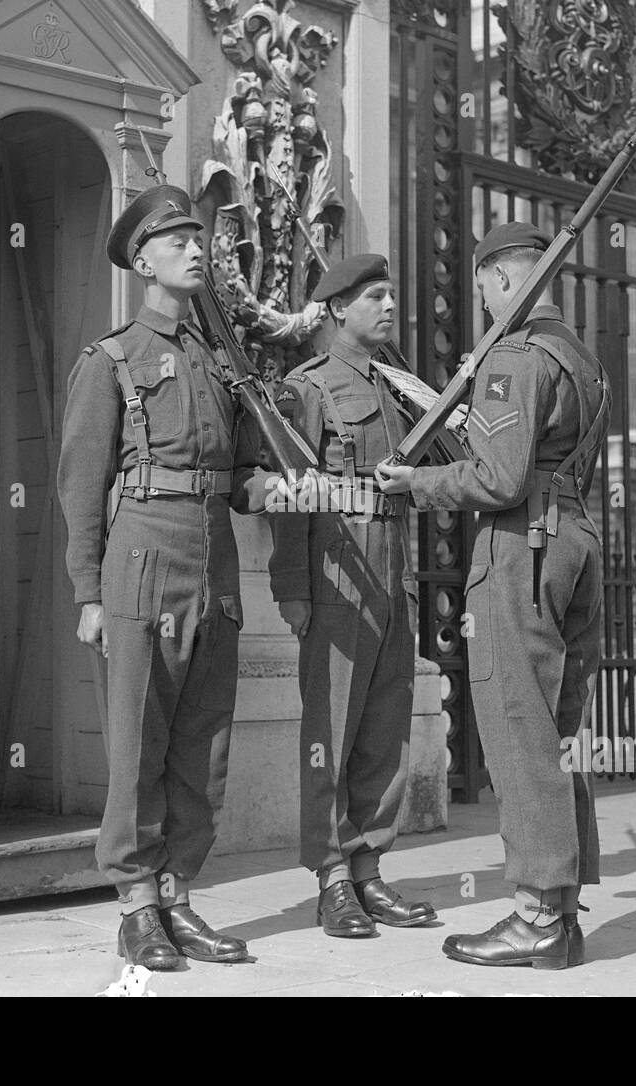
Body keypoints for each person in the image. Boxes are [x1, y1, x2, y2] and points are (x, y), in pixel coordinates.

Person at [57, 184, 302, 970]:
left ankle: (179, 893)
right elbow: (79, 485)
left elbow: (239, 479)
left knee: (205, 742)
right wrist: (88, 593)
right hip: (142, 561)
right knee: (138, 740)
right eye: (179, 240)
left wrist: (282, 483)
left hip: (213, 562)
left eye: (200, 239)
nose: (197, 250)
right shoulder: (113, 360)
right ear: (142, 258)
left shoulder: (222, 364)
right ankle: (134, 904)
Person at [375, 223, 610, 969]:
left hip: (523, 546)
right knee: (557, 732)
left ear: (505, 279)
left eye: (482, 287)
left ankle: (536, 915)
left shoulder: (514, 354)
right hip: (574, 536)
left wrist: (420, 484)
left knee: (520, 730)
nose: (480, 300)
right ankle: (560, 914)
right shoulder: (580, 359)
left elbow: (500, 480)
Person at [269, 254, 437, 937]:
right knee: (331, 731)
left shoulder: (399, 387)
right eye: (375, 296)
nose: (389, 305)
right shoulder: (306, 387)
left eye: (391, 294)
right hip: (338, 565)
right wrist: (294, 587)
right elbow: (288, 494)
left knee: (384, 729)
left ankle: (370, 870)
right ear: (337, 308)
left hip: (393, 565)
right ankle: (333, 877)